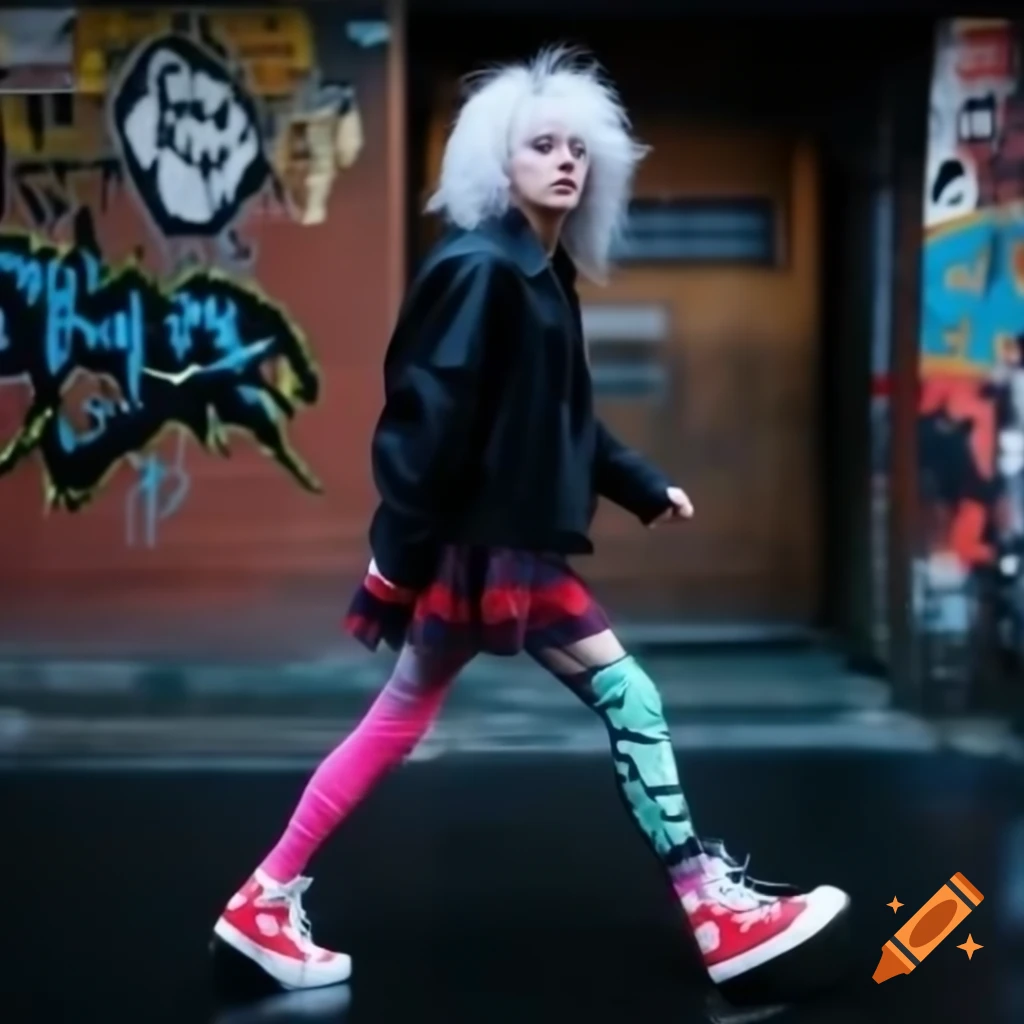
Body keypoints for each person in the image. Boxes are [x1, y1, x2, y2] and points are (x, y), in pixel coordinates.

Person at [212, 46, 850, 993]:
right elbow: (423, 422)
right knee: (630, 699)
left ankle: (262, 900)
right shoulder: (482, 270)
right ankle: (714, 911)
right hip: (488, 547)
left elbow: (558, 417)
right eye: (539, 145)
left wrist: (637, 482)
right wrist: (396, 560)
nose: (563, 162)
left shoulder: (539, 275)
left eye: (577, 149)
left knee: (396, 718)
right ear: (495, 165)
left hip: (491, 542)